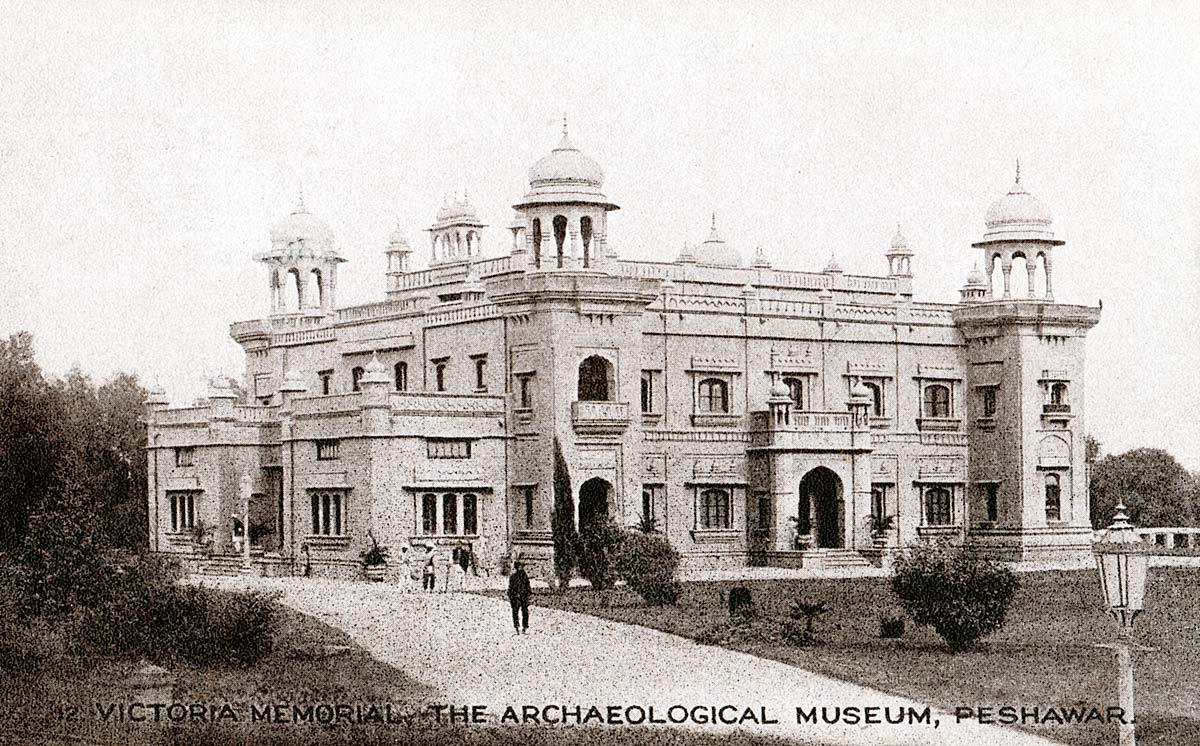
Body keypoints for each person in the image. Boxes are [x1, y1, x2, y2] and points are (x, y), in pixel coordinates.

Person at [507, 560, 531, 634]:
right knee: (515, 612)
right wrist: (514, 595)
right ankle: (516, 626)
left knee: (525, 612)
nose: (522, 568)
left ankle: (525, 626)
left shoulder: (524, 576)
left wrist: (528, 594)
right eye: (520, 566)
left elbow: (527, 586)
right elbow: (511, 588)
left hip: (523, 596)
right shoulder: (513, 577)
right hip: (515, 596)